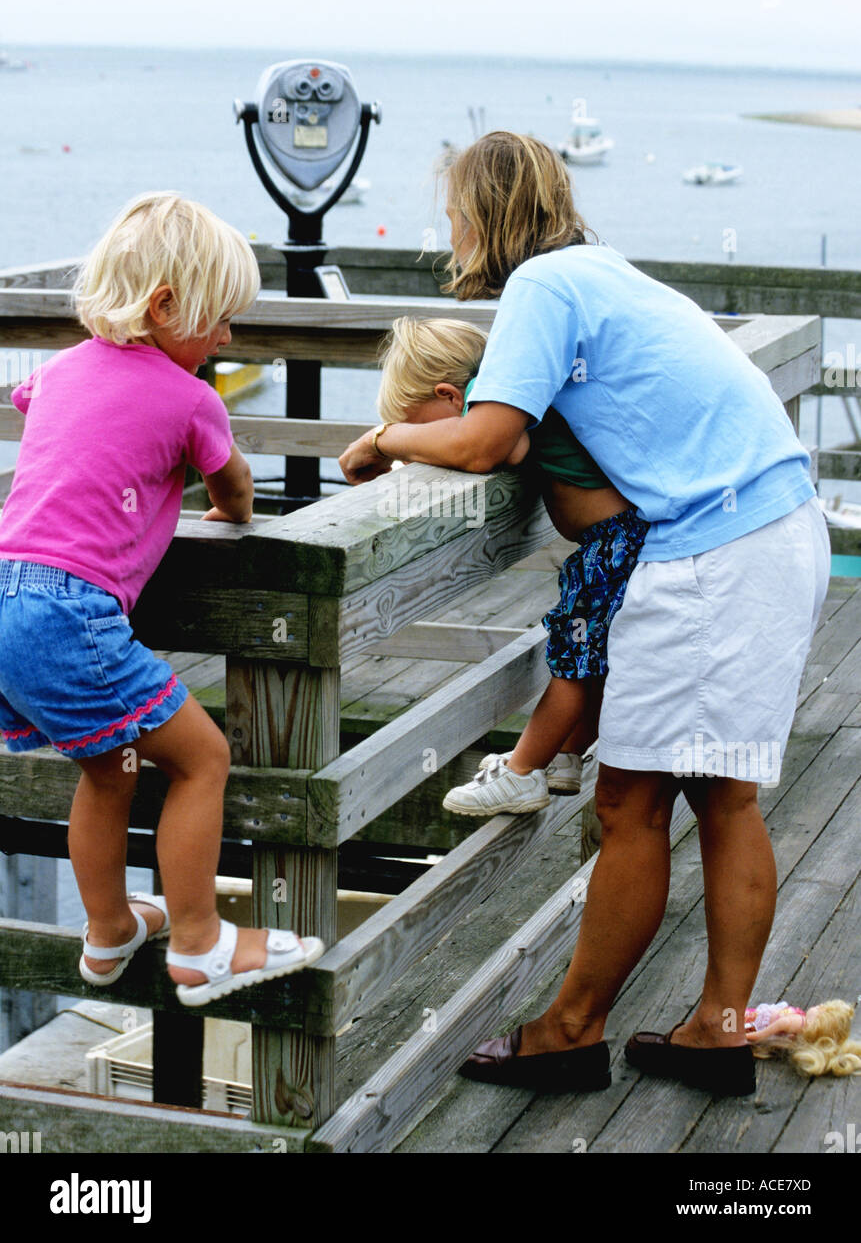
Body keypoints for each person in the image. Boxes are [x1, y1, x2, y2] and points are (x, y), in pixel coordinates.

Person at [340, 131, 830, 1096]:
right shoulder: (608, 274)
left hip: (713, 552)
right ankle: (715, 1031)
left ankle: (570, 1030)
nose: (450, 230)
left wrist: (380, 440)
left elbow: (485, 439)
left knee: (630, 801)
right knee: (721, 797)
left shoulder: (545, 288)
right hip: (775, 526)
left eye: (453, 214)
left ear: (482, 214)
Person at [0, 192, 324, 1006]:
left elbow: (37, 409)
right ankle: (199, 941)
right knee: (203, 758)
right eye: (217, 320)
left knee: (110, 769)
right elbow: (236, 485)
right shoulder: (191, 401)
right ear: (166, 304)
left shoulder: (59, 371)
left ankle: (108, 929)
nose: (226, 338)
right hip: (72, 612)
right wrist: (231, 513)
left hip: (10, 599)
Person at [376, 314, 648, 813]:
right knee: (593, 656)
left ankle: (522, 771)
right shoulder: (518, 388)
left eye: (420, 427)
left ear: (449, 397)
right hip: (622, 538)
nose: (423, 444)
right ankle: (567, 753)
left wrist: (387, 438)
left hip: (613, 541)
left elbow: (504, 448)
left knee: (571, 658)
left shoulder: (492, 398)